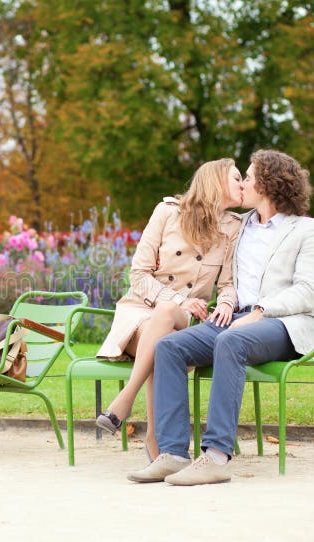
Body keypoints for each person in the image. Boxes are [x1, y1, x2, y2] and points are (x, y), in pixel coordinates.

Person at [127, 149, 314, 485]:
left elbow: (308, 292)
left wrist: (261, 312)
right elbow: (225, 278)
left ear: (266, 185)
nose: (243, 184)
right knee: (169, 348)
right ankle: (174, 453)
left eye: (248, 178)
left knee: (232, 341)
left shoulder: (308, 230)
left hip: (283, 324)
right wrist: (225, 303)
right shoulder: (240, 225)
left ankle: (217, 456)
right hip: (236, 319)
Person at [95, 158, 243, 460]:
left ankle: (125, 399)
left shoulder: (233, 228)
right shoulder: (167, 212)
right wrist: (176, 299)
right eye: (237, 178)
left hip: (185, 319)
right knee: (161, 335)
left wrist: (227, 301)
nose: (243, 185)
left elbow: (228, 283)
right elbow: (138, 274)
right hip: (140, 312)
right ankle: (155, 441)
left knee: (166, 323)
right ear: (215, 181)